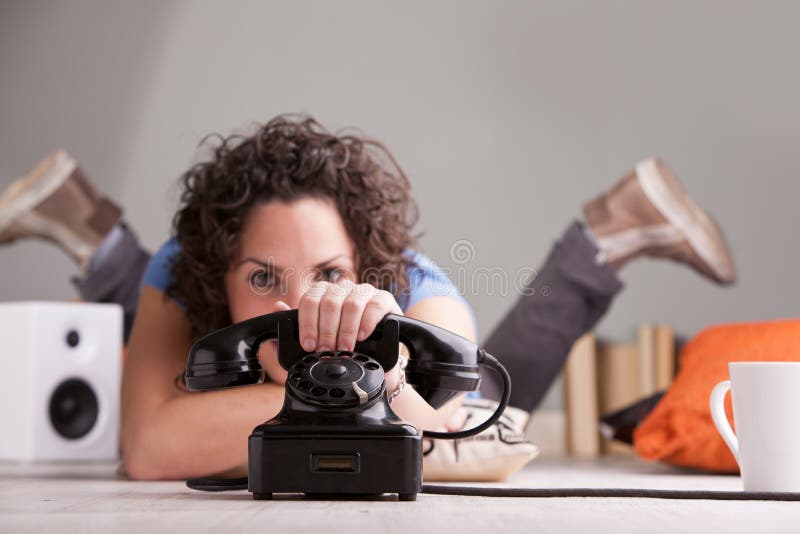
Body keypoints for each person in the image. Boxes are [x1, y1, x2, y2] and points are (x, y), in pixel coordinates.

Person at [0, 115, 735, 480]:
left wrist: (380, 369)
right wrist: (340, 402)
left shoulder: (409, 285)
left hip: (406, 331)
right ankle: (87, 225)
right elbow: (151, 447)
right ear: (213, 277)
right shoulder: (177, 269)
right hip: (190, 283)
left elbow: (430, 430)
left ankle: (607, 235)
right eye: (262, 279)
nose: (299, 304)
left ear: (363, 266)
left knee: (494, 393)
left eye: (327, 274)